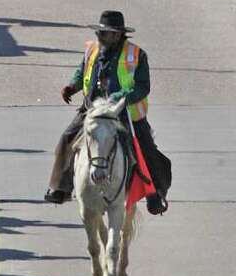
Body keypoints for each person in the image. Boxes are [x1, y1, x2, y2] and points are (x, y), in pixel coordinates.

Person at [45, 11, 170, 211]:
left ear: (119, 35)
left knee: (146, 150)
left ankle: (155, 194)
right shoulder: (92, 50)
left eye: (107, 34)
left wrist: (121, 96)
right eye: (100, 33)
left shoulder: (137, 55)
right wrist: (72, 86)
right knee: (66, 139)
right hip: (92, 109)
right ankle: (60, 187)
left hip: (125, 113)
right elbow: (82, 71)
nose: (101, 37)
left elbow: (142, 86)